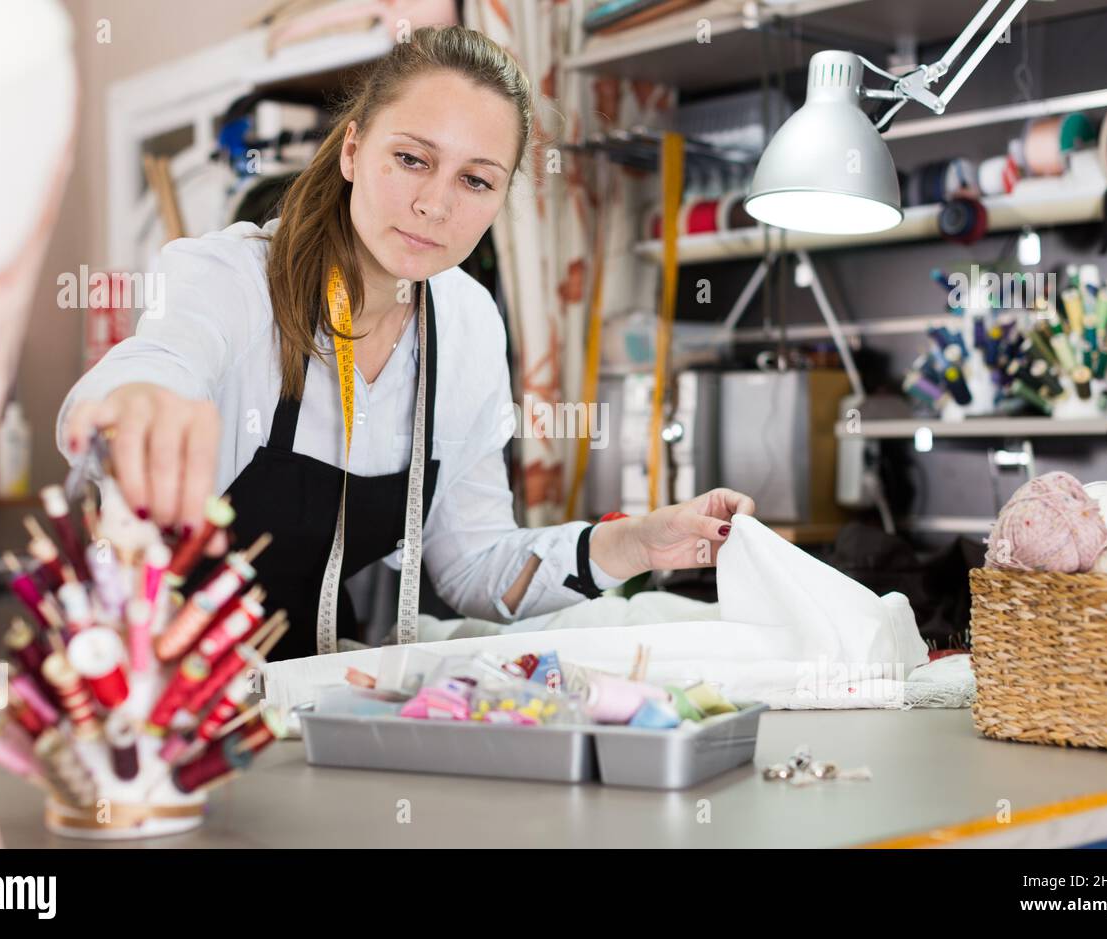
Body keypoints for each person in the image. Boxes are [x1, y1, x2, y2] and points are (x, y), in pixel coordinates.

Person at [60, 25, 755, 661]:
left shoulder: (467, 323)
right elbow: (159, 362)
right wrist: (140, 401)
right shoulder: (234, 279)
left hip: (300, 710)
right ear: (355, 149)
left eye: (476, 179)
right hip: (144, 693)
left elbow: (477, 567)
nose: (436, 205)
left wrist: (636, 541)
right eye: (413, 159)